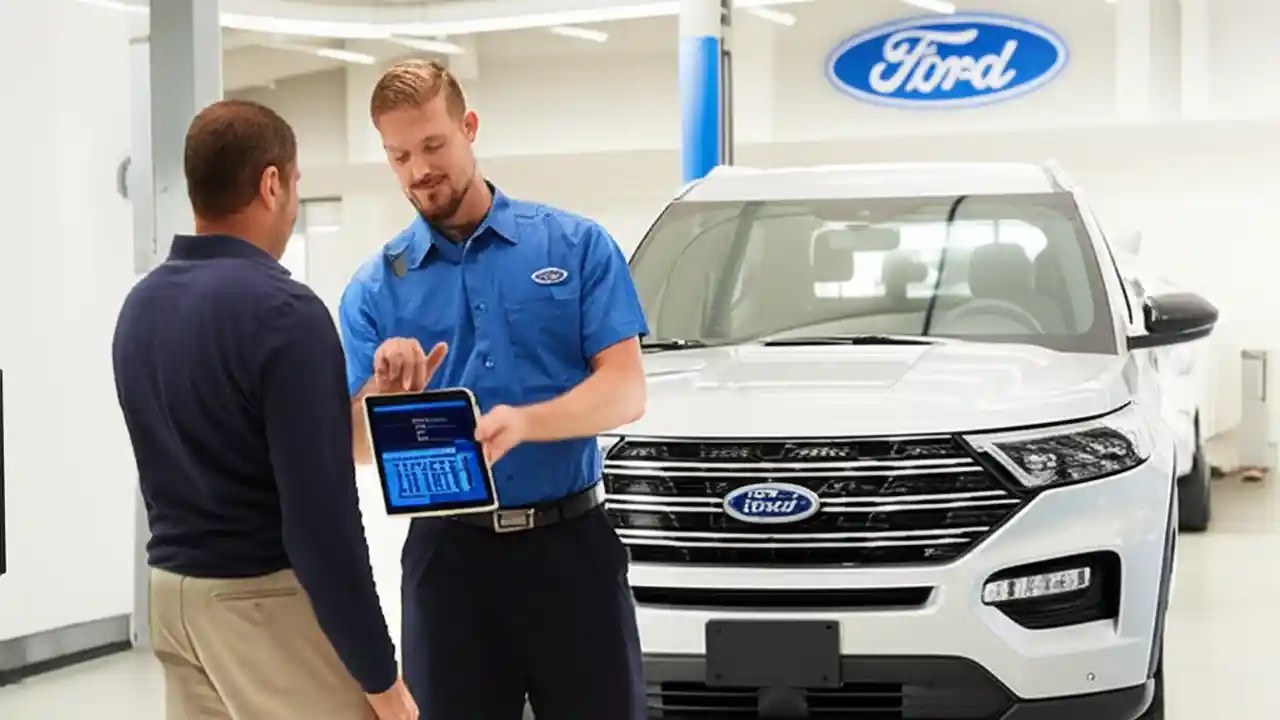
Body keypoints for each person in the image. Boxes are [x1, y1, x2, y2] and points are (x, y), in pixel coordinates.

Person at [338, 60, 649, 720]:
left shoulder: (576, 244)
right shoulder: (375, 288)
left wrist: (527, 423)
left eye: (432, 146)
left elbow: (625, 391)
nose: (418, 170)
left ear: (469, 128)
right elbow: (357, 447)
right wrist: (383, 393)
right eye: (398, 156)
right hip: (449, 561)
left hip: (572, 546)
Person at [112, 99, 417, 720]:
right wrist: (383, 680)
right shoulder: (285, 312)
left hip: (173, 601)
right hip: (261, 605)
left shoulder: (140, 308)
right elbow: (322, 525)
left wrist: (369, 408)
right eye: (297, 182)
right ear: (271, 183)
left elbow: (232, 444)